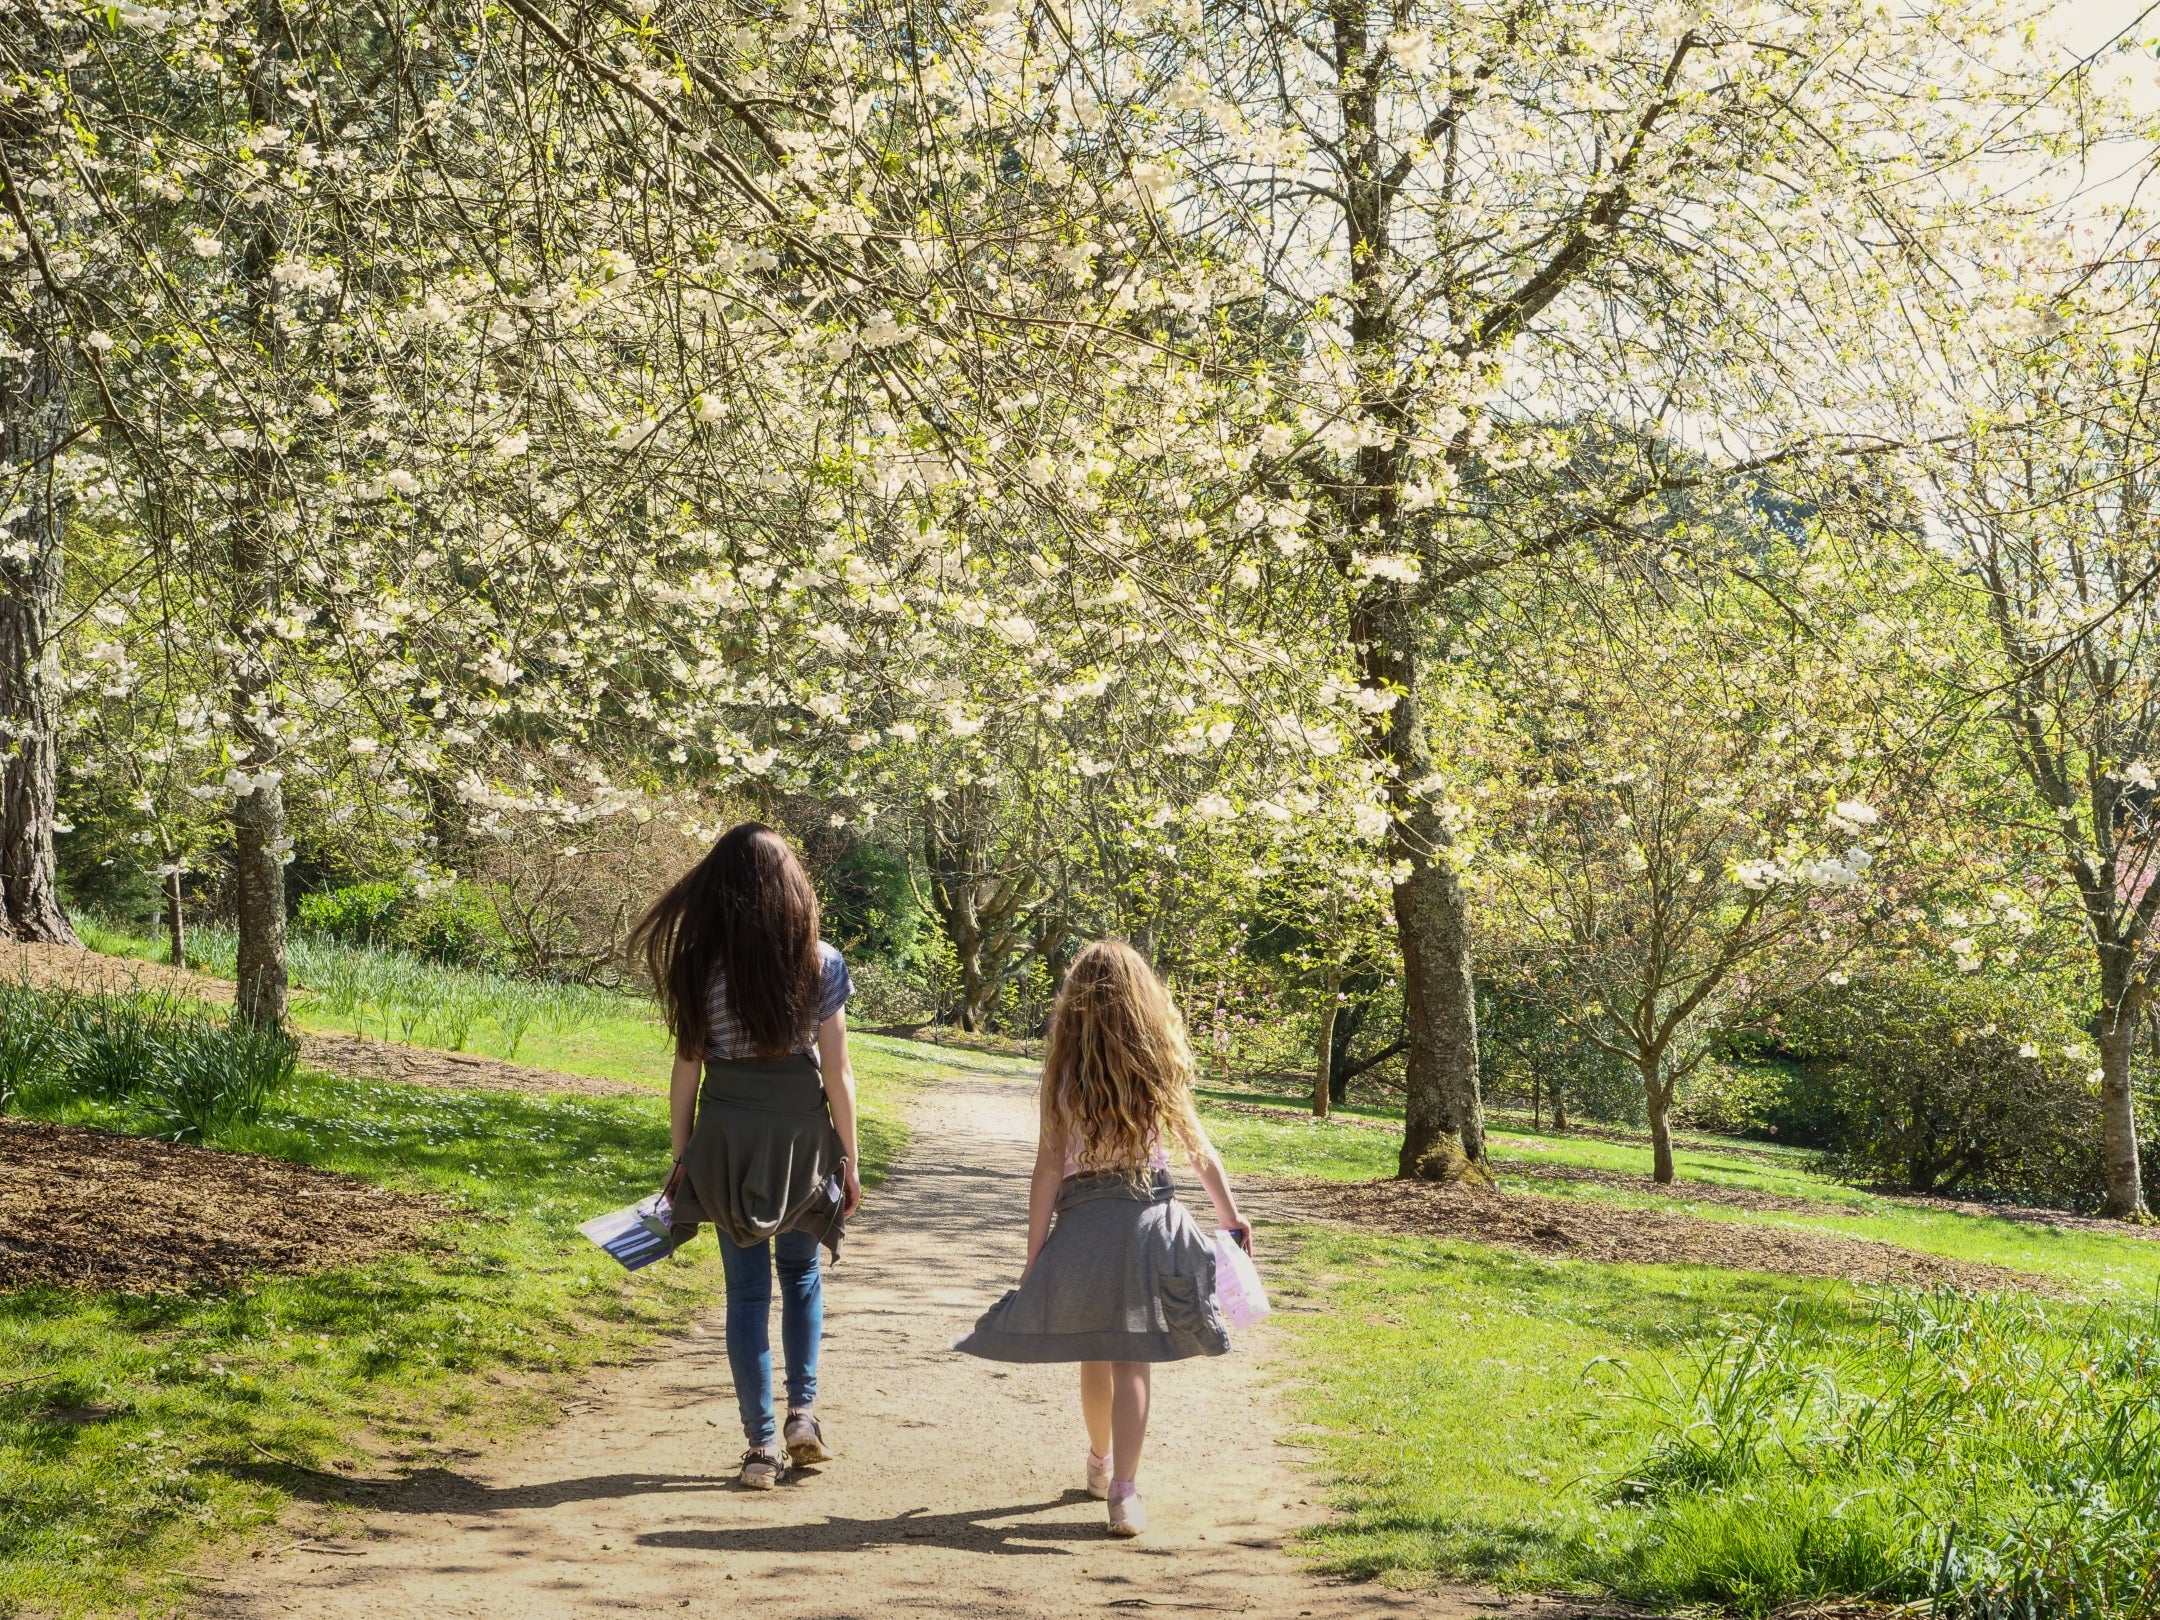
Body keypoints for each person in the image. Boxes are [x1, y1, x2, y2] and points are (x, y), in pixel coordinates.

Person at [954, 940, 1250, 1537]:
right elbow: (1198, 1150)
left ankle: (1098, 1463)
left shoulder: (1063, 1075)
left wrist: (1035, 1251)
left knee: (1093, 1349)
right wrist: (1231, 1218)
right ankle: (1124, 1494)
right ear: (1144, 1003)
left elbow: (1046, 1167)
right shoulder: (1157, 1068)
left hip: (1085, 1226)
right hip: (1149, 1224)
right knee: (1133, 1360)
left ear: (1074, 1007)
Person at [630, 822, 862, 1490]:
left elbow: (686, 1072)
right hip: (800, 1138)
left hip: (728, 1138)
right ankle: (802, 1417)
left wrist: (682, 1161)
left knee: (745, 1293)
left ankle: (759, 1448)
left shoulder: (699, 963)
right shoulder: (822, 962)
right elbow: (838, 1073)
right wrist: (848, 1159)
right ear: (792, 889)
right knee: (801, 1277)